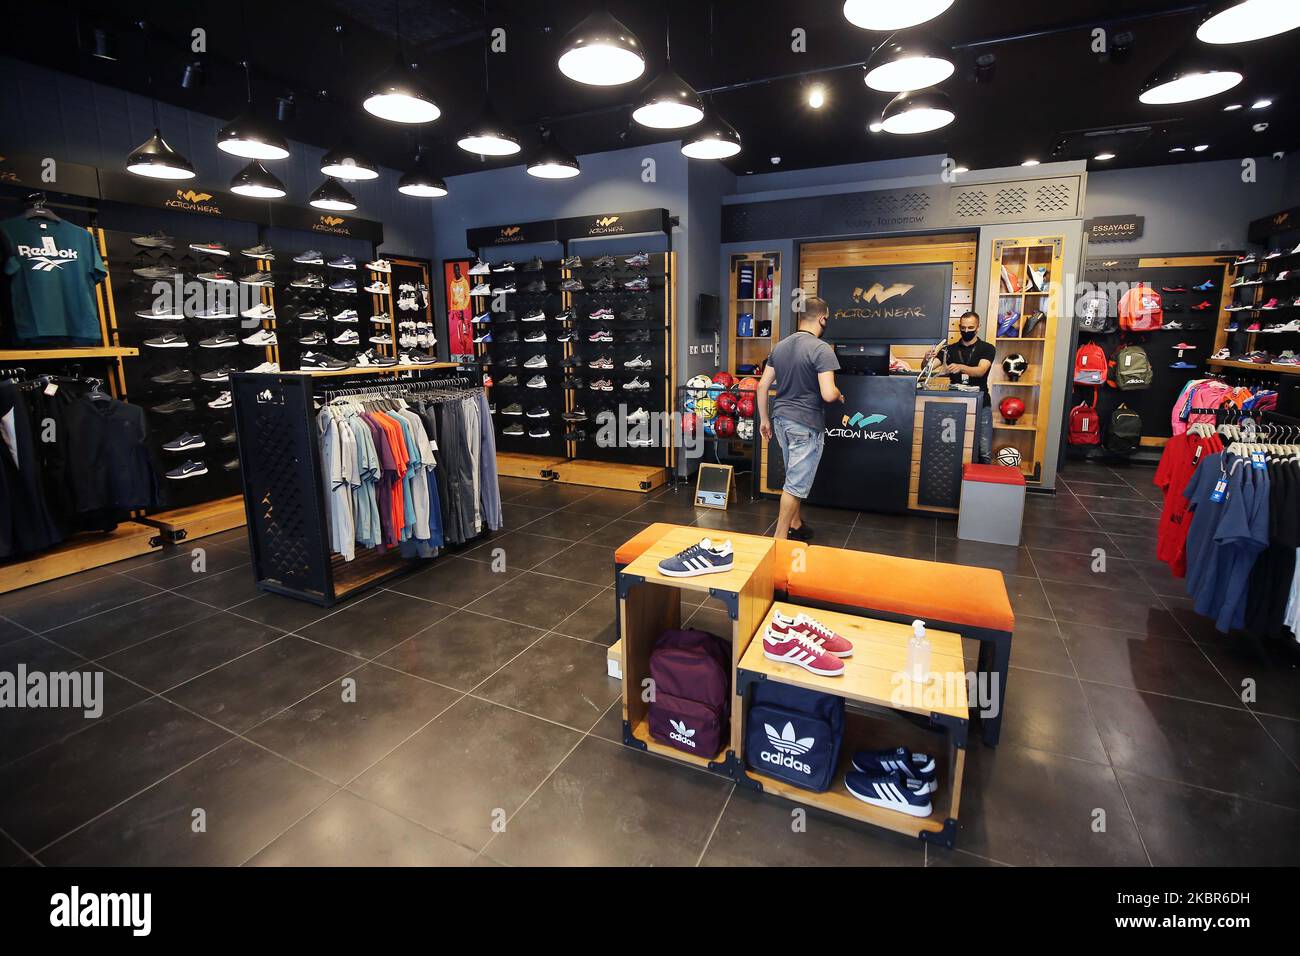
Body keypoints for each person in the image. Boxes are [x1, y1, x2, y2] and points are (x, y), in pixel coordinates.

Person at [756, 296, 843, 541]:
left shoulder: (780, 346)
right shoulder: (821, 349)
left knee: (794, 475)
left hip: (781, 419)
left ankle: (795, 522)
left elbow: (762, 387)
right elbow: (828, 394)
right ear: (823, 318)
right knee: (794, 485)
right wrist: (839, 394)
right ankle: (779, 539)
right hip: (805, 424)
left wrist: (764, 419)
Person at [925, 310, 996, 462]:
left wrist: (961, 367)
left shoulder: (987, 348)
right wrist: (927, 359)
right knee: (952, 447)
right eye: (963, 328)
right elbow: (929, 369)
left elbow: (981, 371)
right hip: (954, 406)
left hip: (981, 405)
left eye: (970, 328)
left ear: (978, 327)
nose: (966, 331)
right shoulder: (948, 350)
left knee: (984, 452)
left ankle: (980, 485)